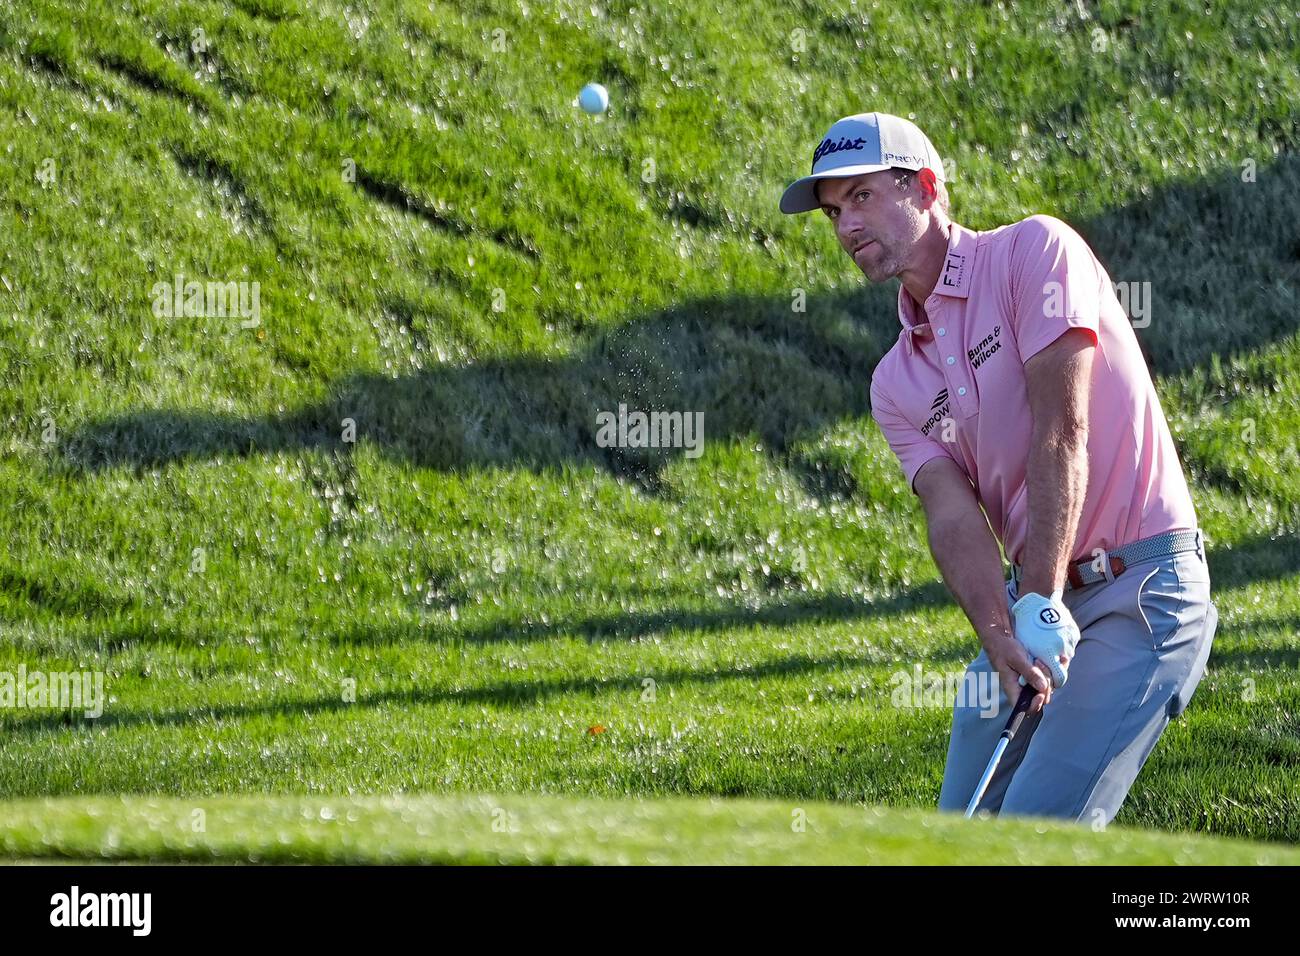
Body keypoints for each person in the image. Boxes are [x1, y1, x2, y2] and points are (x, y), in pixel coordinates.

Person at [779, 112, 1218, 824]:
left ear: (925, 187)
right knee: (960, 837)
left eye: (861, 197)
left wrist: (1040, 596)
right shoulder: (896, 380)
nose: (845, 227)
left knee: (1033, 834)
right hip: (1029, 614)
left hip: (1142, 590)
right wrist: (1000, 634)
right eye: (833, 212)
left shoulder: (1034, 254)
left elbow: (1062, 427)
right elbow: (952, 515)